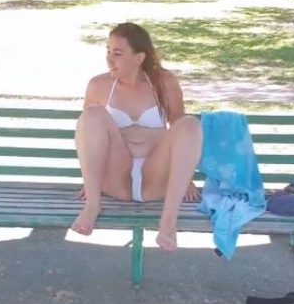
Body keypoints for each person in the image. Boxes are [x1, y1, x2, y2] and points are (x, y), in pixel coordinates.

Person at [71, 22, 202, 250]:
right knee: (91, 115)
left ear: (139, 57)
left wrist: (186, 178)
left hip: (156, 178)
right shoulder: (98, 85)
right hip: (116, 179)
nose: (109, 59)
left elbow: (179, 129)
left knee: (190, 124)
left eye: (118, 53)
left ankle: (168, 222)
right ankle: (92, 205)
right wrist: (91, 181)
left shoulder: (165, 82)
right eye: (108, 51)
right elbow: (89, 135)